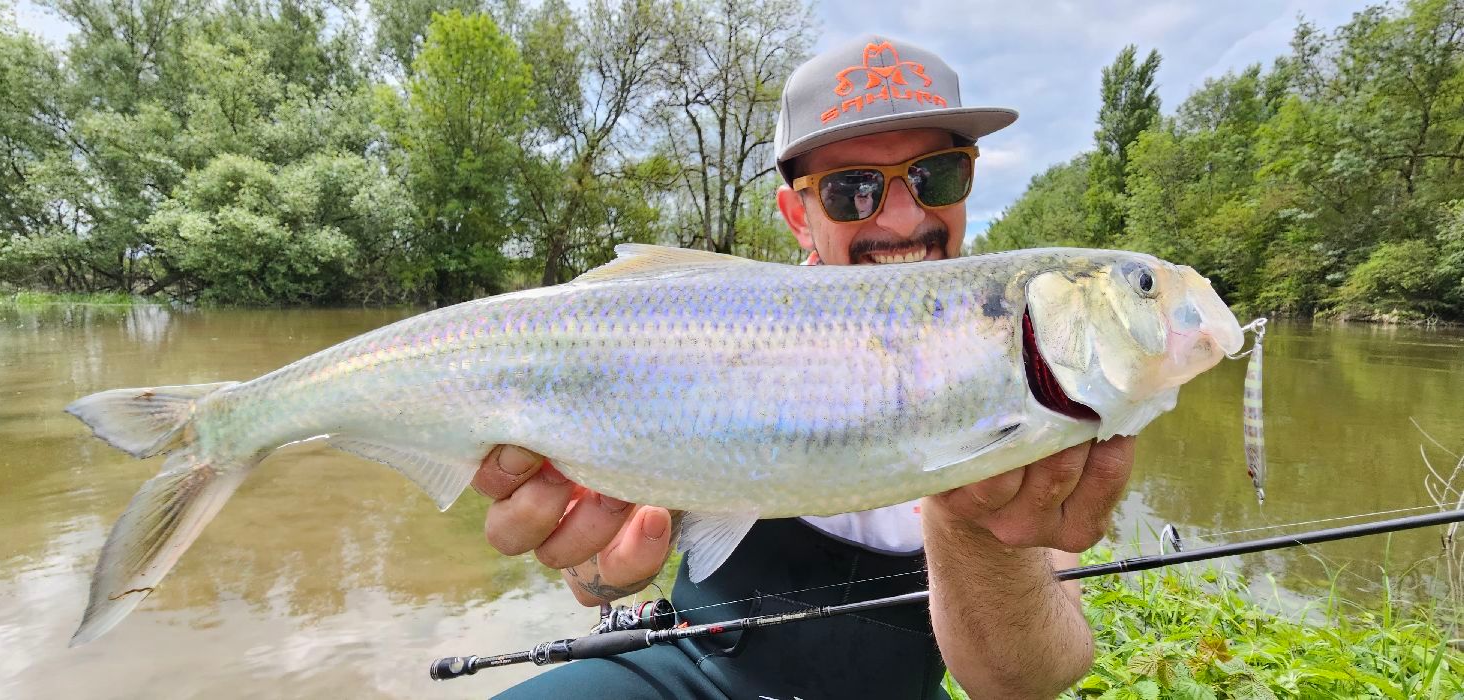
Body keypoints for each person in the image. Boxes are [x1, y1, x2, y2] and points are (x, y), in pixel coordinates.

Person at [473, 35, 1135, 700]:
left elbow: (1028, 682)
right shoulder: (711, 336)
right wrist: (600, 569)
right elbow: (595, 575)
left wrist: (976, 510)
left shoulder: (1033, 360)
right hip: (693, 678)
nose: (904, 219)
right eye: (853, 191)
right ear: (798, 215)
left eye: (937, 175)